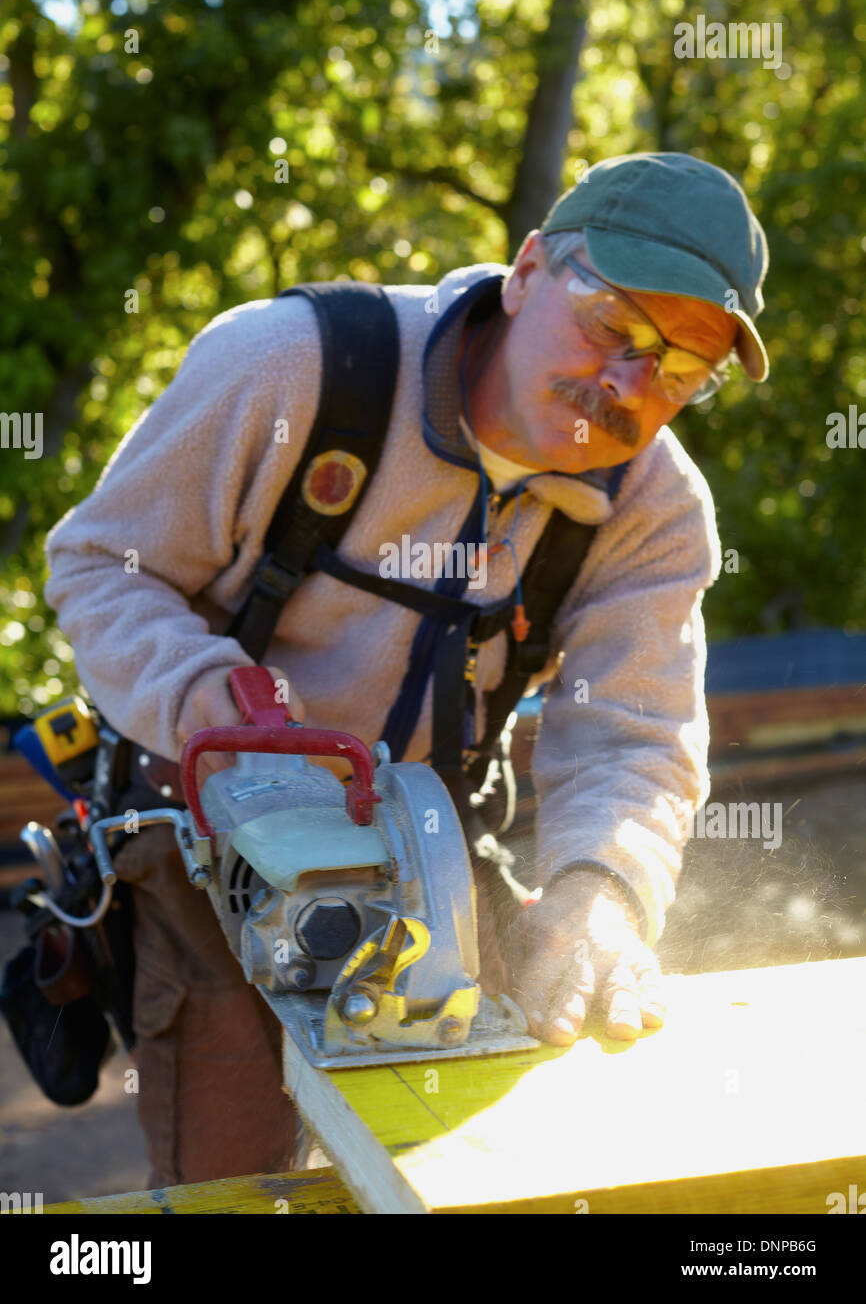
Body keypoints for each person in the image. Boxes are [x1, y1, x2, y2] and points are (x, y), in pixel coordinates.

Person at [43, 151, 770, 1188]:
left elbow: (632, 736)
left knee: (460, 1163)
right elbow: (102, 566)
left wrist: (597, 894)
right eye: (615, 327)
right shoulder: (294, 367)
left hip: (427, 851)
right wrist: (222, 715)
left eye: (678, 370)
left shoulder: (654, 513)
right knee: (243, 1177)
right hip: (207, 847)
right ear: (525, 271)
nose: (627, 383)